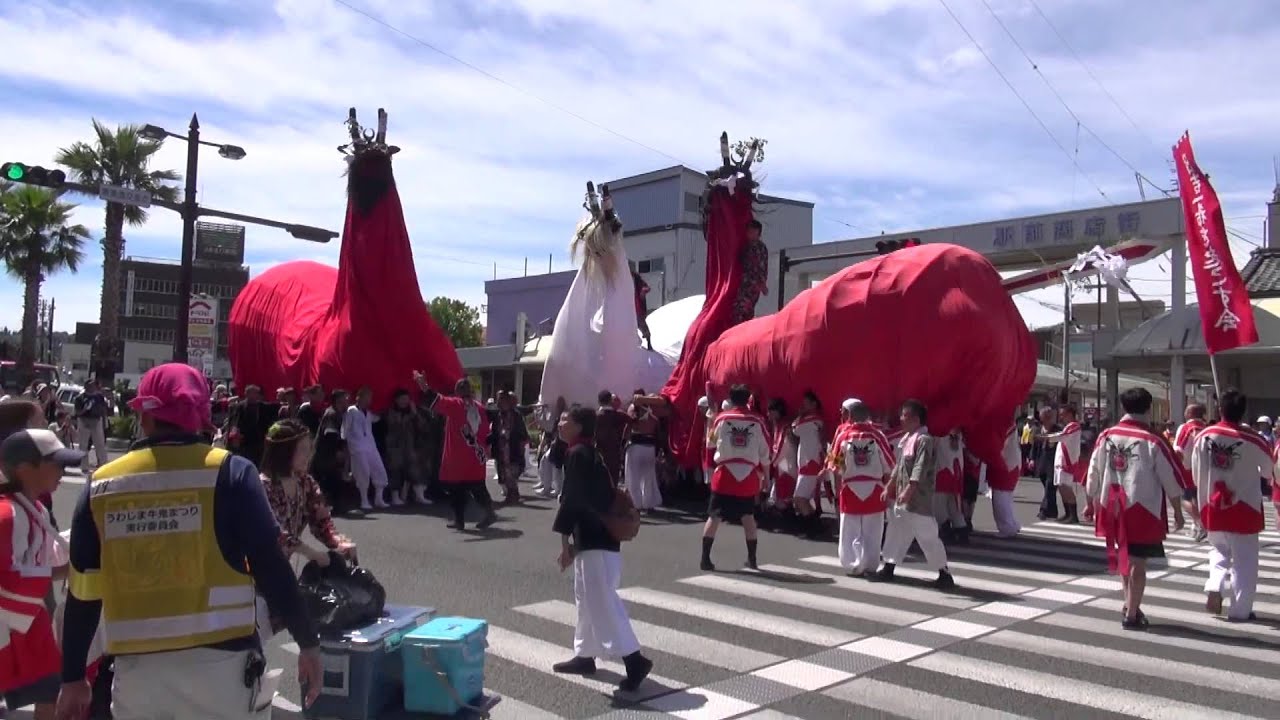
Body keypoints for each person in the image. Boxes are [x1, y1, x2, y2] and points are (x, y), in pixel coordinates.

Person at [56, 363, 322, 720]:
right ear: (199, 416)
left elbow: (83, 593)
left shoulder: (102, 485)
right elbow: (272, 565)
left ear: (144, 416)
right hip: (223, 670)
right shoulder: (232, 472)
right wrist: (308, 643)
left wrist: (73, 675)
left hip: (138, 675)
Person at [550, 405, 653, 692]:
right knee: (586, 599)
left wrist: (564, 543)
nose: (560, 424)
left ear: (580, 426)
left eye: (565, 420)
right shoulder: (586, 452)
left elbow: (571, 500)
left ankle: (634, 660)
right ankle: (585, 655)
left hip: (595, 537)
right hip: (595, 537)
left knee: (601, 600)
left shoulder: (579, 454)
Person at [1084, 387, 1191, 631]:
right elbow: (1170, 477)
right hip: (1142, 506)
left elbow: (1094, 469)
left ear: (1124, 407)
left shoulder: (1107, 435)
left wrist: (1090, 501)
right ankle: (1131, 613)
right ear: (1147, 408)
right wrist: (1177, 509)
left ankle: (1128, 603)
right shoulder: (1153, 439)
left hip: (1111, 503)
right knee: (1138, 563)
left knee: (1124, 555)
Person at [1, 429, 83, 720]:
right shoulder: (6, 514)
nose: (64, 470)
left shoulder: (36, 509)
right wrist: (62, 570)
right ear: (25, 469)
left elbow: (43, 556)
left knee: (49, 689)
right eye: (56, 463)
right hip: (10, 624)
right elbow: (6, 578)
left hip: (26, 623)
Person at [1190, 389, 1272, 621]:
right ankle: (1240, 610)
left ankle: (1215, 584)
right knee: (1245, 561)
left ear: (1220, 409)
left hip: (1212, 503)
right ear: (1243, 411)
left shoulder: (1203, 436)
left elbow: (1196, 473)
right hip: (1245, 506)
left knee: (1218, 550)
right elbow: (1268, 471)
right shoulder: (1253, 439)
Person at [871, 399, 955, 589]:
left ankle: (944, 572)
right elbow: (899, 466)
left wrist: (910, 488)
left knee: (927, 535)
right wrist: (890, 486)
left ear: (916, 420)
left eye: (904, 416)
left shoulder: (924, 440)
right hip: (903, 497)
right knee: (896, 530)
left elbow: (920, 467)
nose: (900, 419)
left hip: (918, 499)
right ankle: (889, 566)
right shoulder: (907, 438)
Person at [413, 372, 498, 531]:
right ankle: (488, 513)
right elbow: (487, 432)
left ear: (457, 391)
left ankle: (460, 520)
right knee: (478, 487)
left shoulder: (455, 404)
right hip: (475, 455)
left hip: (459, 457)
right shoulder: (479, 407)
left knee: (457, 489)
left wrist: (423, 385)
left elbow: (434, 399)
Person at [700, 384, 770, 571]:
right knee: (748, 517)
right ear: (748, 399)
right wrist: (767, 477)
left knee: (714, 517)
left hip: (724, 474)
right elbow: (765, 453)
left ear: (730, 399)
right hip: (747, 476)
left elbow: (711, 443)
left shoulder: (721, 419)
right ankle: (752, 559)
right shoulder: (758, 420)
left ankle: (705, 558)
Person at [830, 399, 894, 577]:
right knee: (873, 531)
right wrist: (889, 489)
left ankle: (852, 565)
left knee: (849, 530)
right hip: (874, 488)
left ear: (849, 415)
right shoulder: (878, 435)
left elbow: (834, 466)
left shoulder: (842, 435)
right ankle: (870, 566)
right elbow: (889, 464)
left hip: (850, 488)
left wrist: (836, 490)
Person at [344, 386, 389, 510]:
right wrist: (346, 444)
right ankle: (364, 500)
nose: (368, 399)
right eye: (366, 396)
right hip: (357, 447)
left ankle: (379, 498)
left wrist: (383, 411)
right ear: (359, 397)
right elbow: (345, 429)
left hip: (370, 446)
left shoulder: (368, 413)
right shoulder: (351, 410)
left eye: (370, 397)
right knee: (363, 472)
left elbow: (376, 419)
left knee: (379, 469)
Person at [1173, 403, 1208, 540]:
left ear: (1189, 414)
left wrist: (1175, 466)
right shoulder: (1205, 428)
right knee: (1197, 499)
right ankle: (1197, 526)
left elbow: (1178, 450)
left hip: (1186, 468)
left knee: (1183, 498)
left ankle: (1201, 523)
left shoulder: (1186, 427)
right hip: (1203, 468)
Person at [1045, 404, 1083, 524]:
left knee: (1066, 488)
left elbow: (1062, 436)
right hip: (1061, 461)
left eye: (1063, 414)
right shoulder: (1068, 426)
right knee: (1061, 488)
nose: (1061, 417)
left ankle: (1073, 515)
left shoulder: (1074, 426)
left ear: (1070, 414)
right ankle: (1067, 513)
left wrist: (1046, 437)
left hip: (1067, 462)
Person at [72, 379, 110, 474]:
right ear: (86, 386)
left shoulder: (99, 397)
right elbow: (77, 412)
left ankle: (103, 464)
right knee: (83, 445)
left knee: (100, 444)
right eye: (90, 385)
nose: (92, 387)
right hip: (84, 421)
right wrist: (85, 409)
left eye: (94, 385)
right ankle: (84, 466)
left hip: (96, 421)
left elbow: (104, 409)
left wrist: (104, 421)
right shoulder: (79, 398)